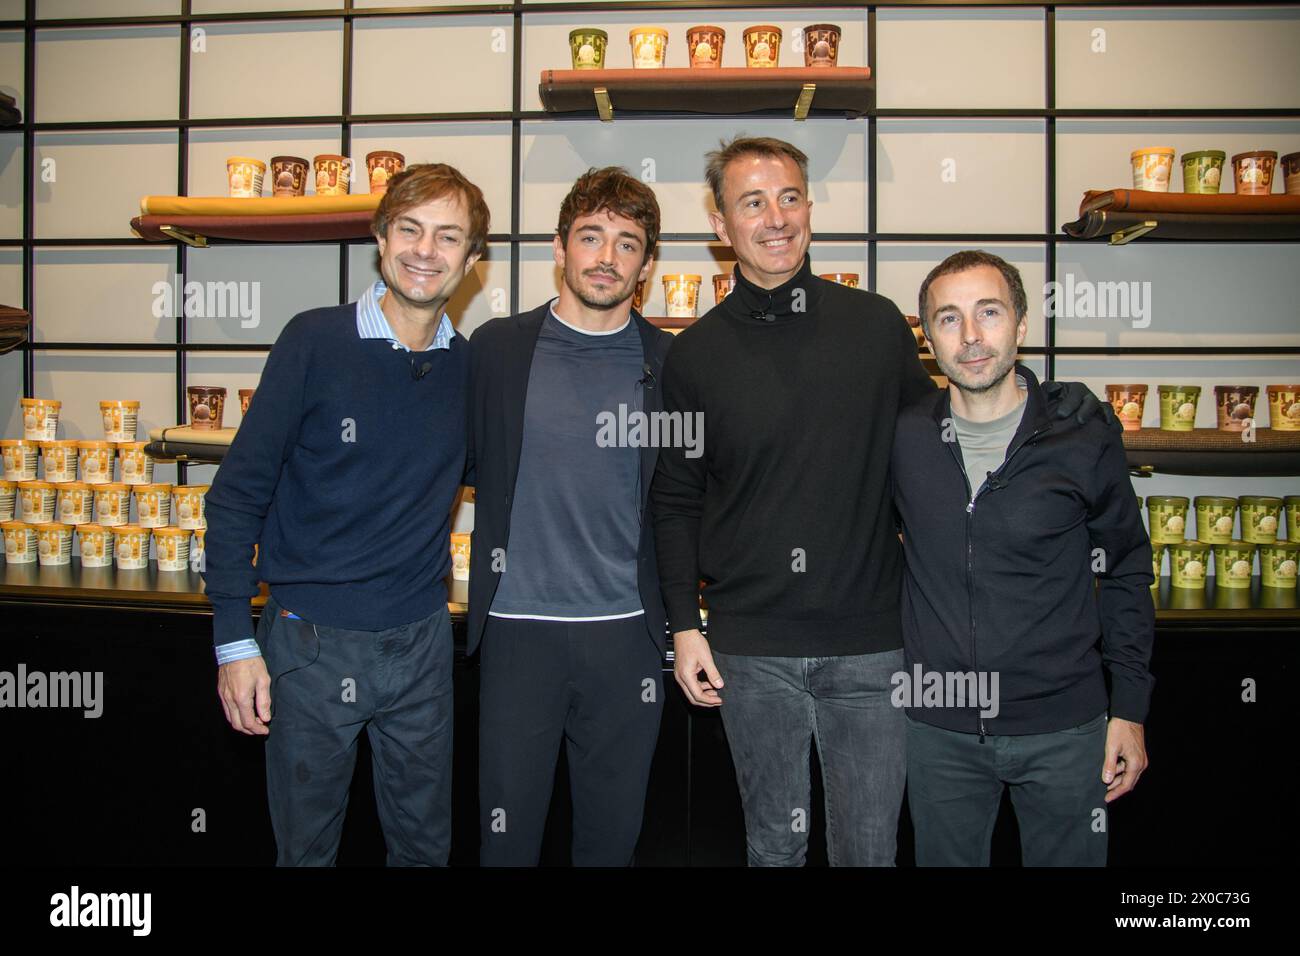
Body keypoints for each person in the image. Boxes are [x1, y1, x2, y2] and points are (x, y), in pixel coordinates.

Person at [652, 135, 1108, 866]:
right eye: (753, 202)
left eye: (791, 197)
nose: (776, 217)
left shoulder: (875, 326)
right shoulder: (693, 355)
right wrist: (683, 627)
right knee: (774, 848)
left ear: (809, 208)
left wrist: (1060, 412)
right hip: (749, 650)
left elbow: (949, 435)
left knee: (868, 852)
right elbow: (673, 500)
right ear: (721, 226)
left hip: (874, 648)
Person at [204, 162, 489, 866]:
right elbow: (236, 495)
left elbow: (504, 477)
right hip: (308, 646)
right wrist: (235, 644)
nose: (426, 250)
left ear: (472, 260)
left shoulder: (469, 369)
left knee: (424, 849)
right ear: (381, 237)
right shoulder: (314, 341)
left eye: (448, 237)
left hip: (421, 645)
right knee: (306, 850)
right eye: (411, 229)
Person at [892, 250, 1153, 866]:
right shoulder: (905, 437)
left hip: (1066, 727)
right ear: (928, 338)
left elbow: (1125, 567)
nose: (973, 336)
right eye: (949, 319)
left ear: (1022, 325)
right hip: (939, 728)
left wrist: (1131, 710)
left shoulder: (1081, 432)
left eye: (989, 312)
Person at [466, 167, 673, 866]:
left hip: (628, 639)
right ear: (560, 247)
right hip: (516, 631)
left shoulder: (671, 364)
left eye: (627, 243)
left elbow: (685, 501)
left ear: (646, 265)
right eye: (591, 236)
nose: (606, 257)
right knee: (506, 839)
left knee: (611, 842)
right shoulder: (496, 350)